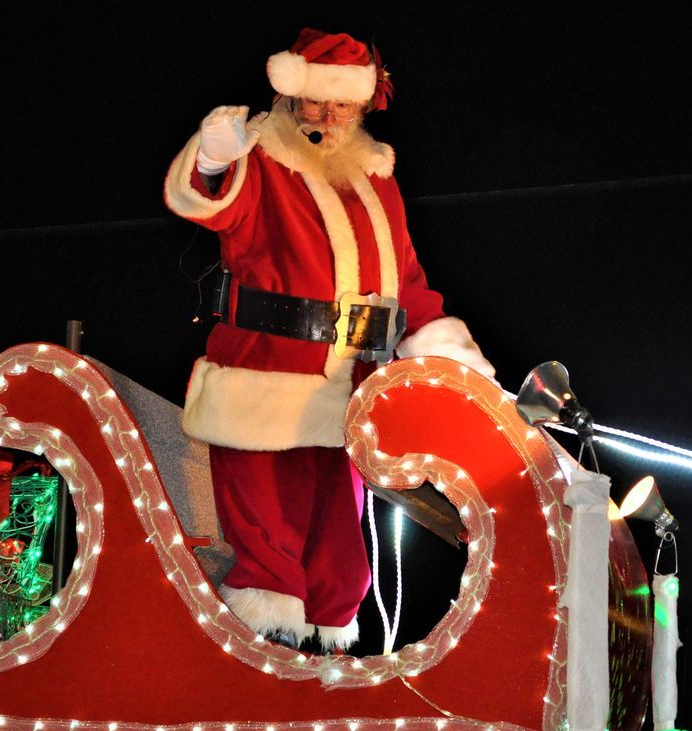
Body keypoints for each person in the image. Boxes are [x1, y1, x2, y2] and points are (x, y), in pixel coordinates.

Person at [164, 28, 495, 652]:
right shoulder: (260, 156)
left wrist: (446, 350)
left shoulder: (376, 177)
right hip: (266, 377)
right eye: (317, 102)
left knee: (339, 552)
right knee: (267, 540)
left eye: (344, 105)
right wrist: (212, 160)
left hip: (348, 389)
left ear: (365, 106)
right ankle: (262, 669)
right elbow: (212, 204)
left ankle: (322, 678)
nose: (329, 116)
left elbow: (406, 279)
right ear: (292, 97)